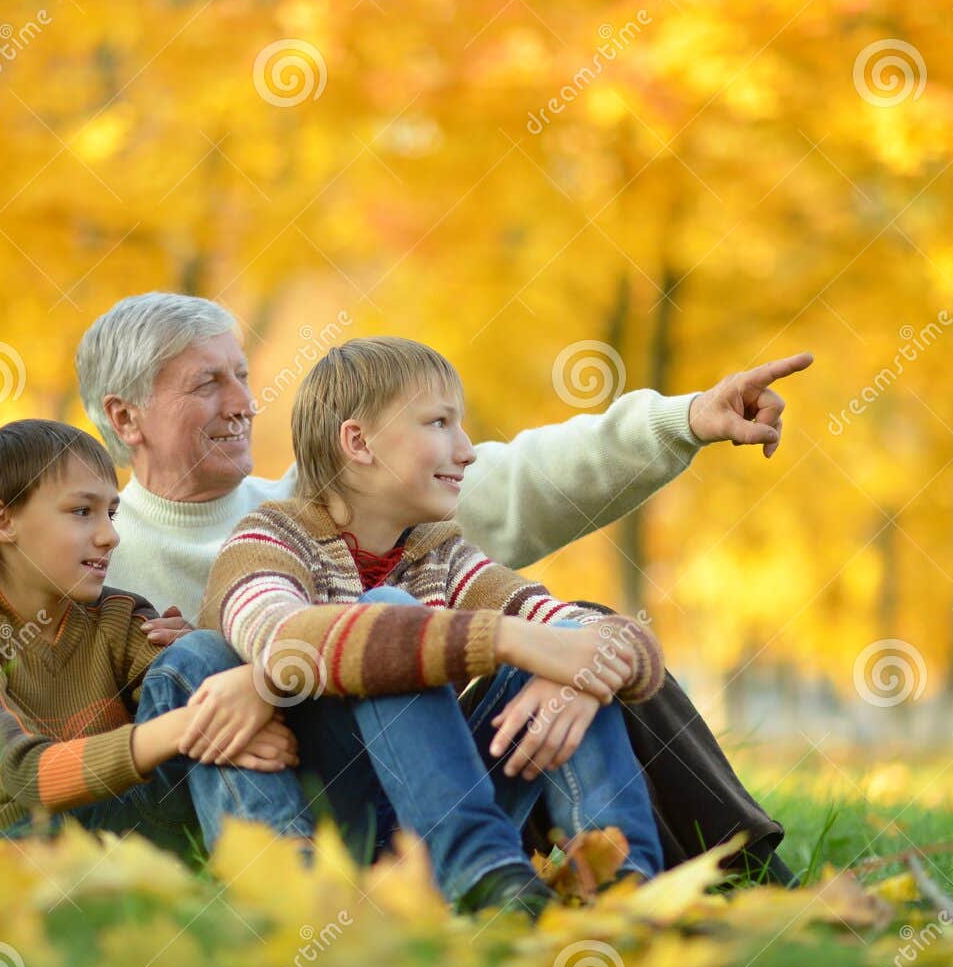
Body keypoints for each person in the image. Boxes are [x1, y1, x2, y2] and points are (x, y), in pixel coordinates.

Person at [78, 292, 809, 882]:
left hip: (414, 775)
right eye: (210, 382)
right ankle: (369, 884)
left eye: (243, 373)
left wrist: (682, 420)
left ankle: (675, 876)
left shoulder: (342, 502)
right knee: (349, 625)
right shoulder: (91, 554)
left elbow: (527, 476)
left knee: (572, 629)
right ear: (124, 416)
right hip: (271, 796)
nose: (245, 400)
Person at [143, 337, 670, 917]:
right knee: (393, 612)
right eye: (440, 422)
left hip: (429, 805)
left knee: (572, 648)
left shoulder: (440, 555)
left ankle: (624, 886)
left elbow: (599, 634)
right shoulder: (267, 540)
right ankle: (485, 877)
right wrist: (511, 639)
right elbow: (281, 641)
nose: (467, 451)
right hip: (336, 814)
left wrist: (572, 669)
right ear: (358, 442)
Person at [0, 419, 294, 849]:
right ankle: (281, 871)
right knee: (213, 714)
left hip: (116, 829)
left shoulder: (118, 615)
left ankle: (280, 863)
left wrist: (217, 673)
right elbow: (26, 775)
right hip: (9, 845)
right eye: (81, 511)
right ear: (2, 521)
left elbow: (191, 687)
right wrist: (191, 725)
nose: (110, 536)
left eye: (110, 513)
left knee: (201, 654)